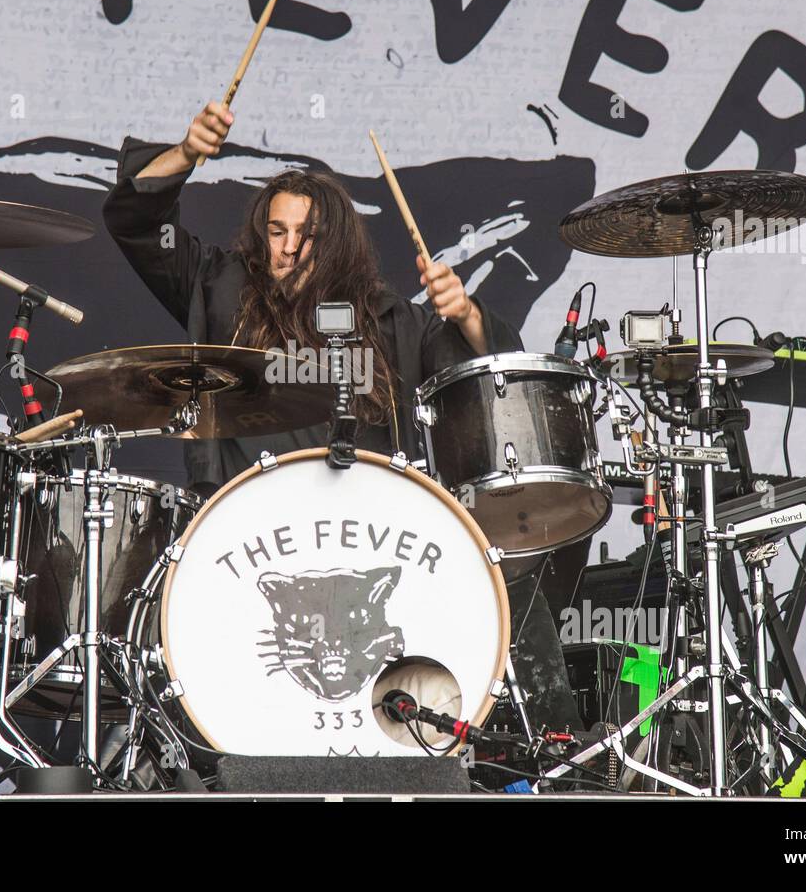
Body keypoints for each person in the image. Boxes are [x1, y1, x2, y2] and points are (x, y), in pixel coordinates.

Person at [103, 102, 584, 740]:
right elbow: (137, 220)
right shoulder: (219, 290)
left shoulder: (390, 322)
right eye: (276, 231)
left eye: (306, 234)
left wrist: (466, 313)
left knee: (504, 582)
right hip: (252, 540)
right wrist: (187, 154)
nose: (290, 248)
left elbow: (490, 373)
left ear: (336, 243)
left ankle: (550, 757)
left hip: (374, 544)